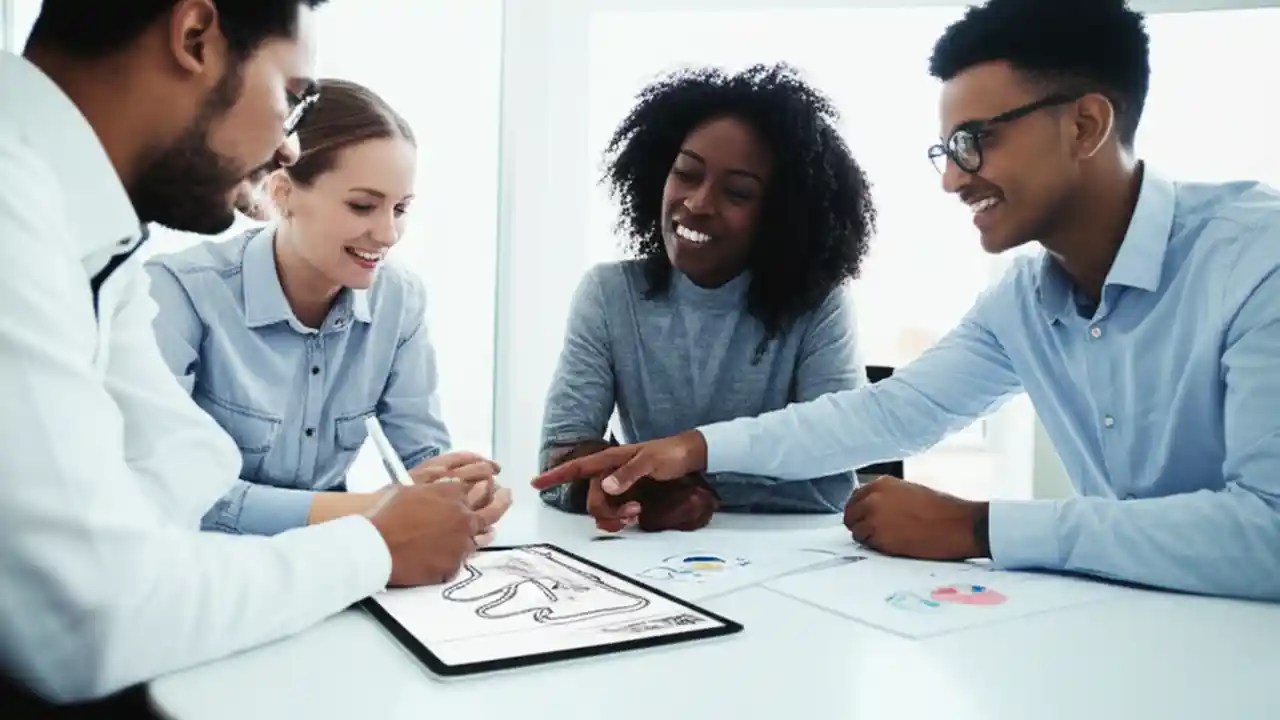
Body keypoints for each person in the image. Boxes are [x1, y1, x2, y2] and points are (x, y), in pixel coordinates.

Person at [534, 0, 1280, 601]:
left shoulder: (1257, 260)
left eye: (974, 142)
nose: (954, 179)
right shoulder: (1022, 300)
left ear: (1084, 124)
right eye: (948, 150)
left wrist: (978, 526)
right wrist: (694, 448)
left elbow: (1268, 533)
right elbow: (886, 414)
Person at [0, 0, 508, 705]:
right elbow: (85, 617)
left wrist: (419, 507)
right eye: (291, 97)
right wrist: (375, 539)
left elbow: (180, 482)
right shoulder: (14, 207)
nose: (289, 149)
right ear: (195, 35)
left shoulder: (91, 232)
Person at [146, 78, 507, 537]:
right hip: (205, 573)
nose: (388, 234)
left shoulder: (399, 300)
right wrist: (376, 510)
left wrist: (460, 496)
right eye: (362, 206)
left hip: (336, 566)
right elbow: (171, 492)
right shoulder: (179, 293)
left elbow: (422, 459)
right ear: (282, 193)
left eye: (400, 209)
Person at [539, 64, 875, 533]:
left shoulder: (819, 306)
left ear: (782, 214)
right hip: (654, 566)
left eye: (737, 192)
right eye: (685, 174)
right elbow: (558, 462)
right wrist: (633, 491)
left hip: (792, 560)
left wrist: (694, 488)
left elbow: (830, 482)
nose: (697, 203)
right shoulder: (610, 295)